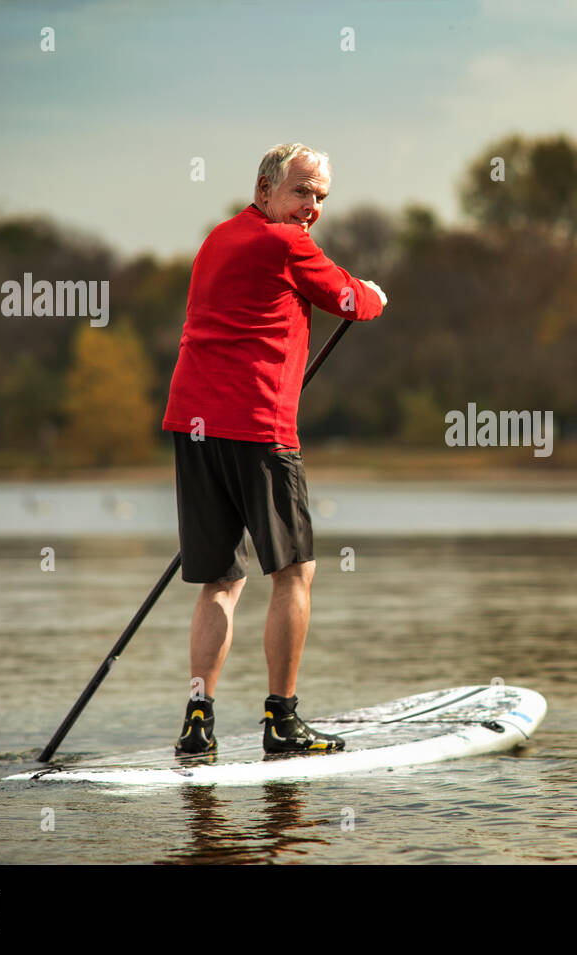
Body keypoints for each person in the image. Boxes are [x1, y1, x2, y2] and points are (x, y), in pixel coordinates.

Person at [160, 143, 387, 757]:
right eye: (301, 192)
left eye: (320, 197)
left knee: (218, 581)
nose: (311, 207)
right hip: (258, 426)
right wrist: (371, 291)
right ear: (264, 190)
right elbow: (349, 302)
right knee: (294, 572)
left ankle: (197, 721)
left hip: (193, 424)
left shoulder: (217, 239)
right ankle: (282, 722)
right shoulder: (286, 243)